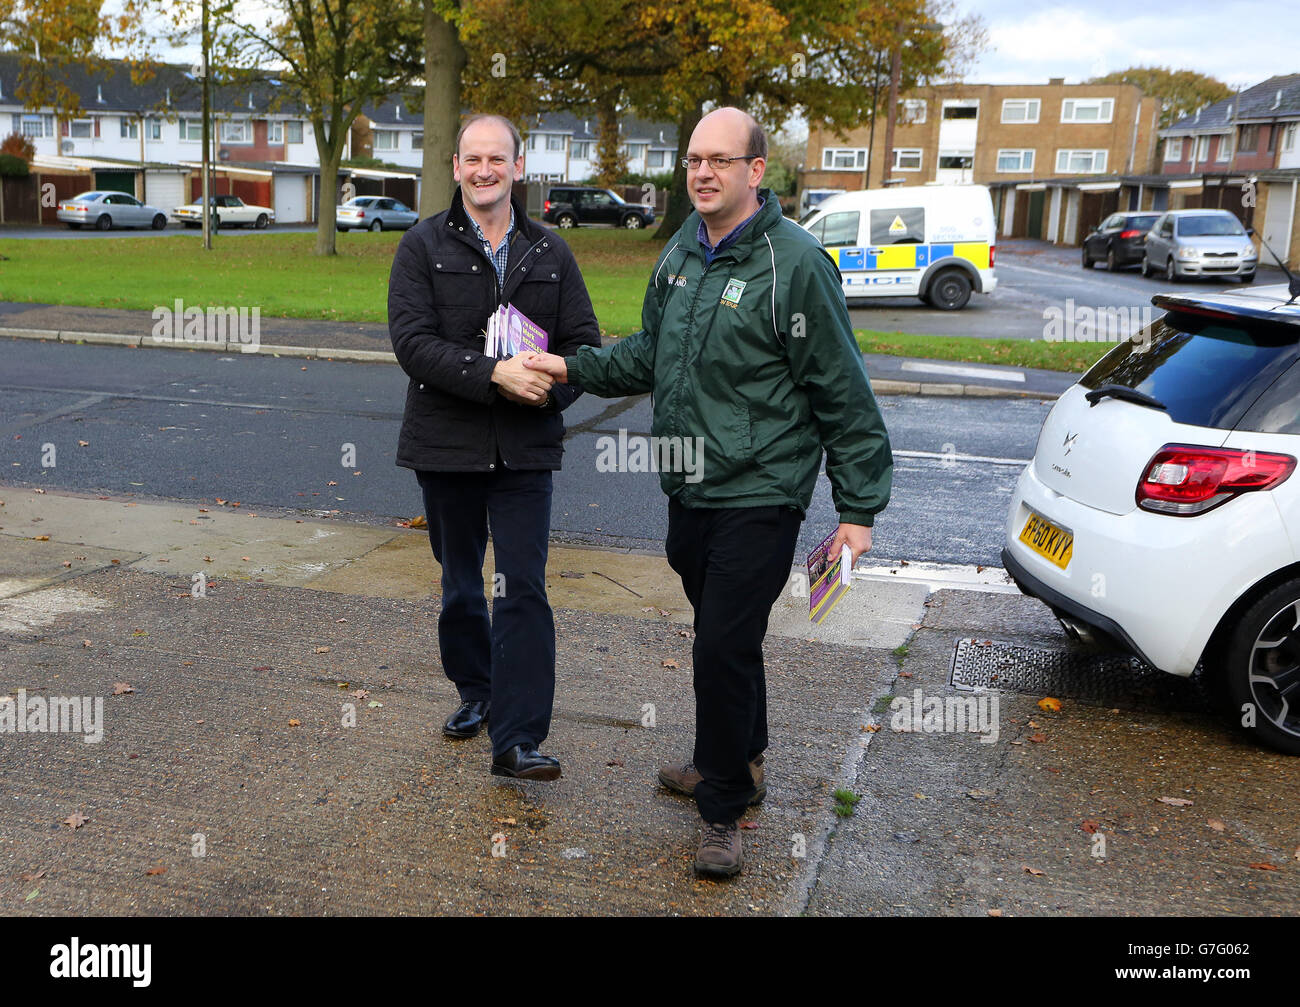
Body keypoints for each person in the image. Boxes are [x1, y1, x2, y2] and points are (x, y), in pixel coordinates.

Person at [525, 107, 892, 875]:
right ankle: (742, 754)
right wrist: (570, 367)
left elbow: (843, 393)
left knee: (722, 643)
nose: (702, 172)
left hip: (761, 492)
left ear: (757, 171)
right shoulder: (681, 254)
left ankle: (721, 804)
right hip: (689, 483)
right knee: (729, 638)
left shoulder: (795, 265)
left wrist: (857, 509)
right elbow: (650, 355)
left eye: (720, 159)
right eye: (694, 158)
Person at [387, 113, 601, 780]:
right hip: (445, 448)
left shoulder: (550, 252)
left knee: (524, 589)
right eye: (473, 158)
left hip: (525, 453)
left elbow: (585, 349)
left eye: (497, 159)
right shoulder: (423, 247)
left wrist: (549, 391)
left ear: (517, 167)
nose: (485, 169)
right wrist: (492, 375)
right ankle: (475, 690)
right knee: (460, 587)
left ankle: (517, 738)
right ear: (455, 167)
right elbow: (412, 343)